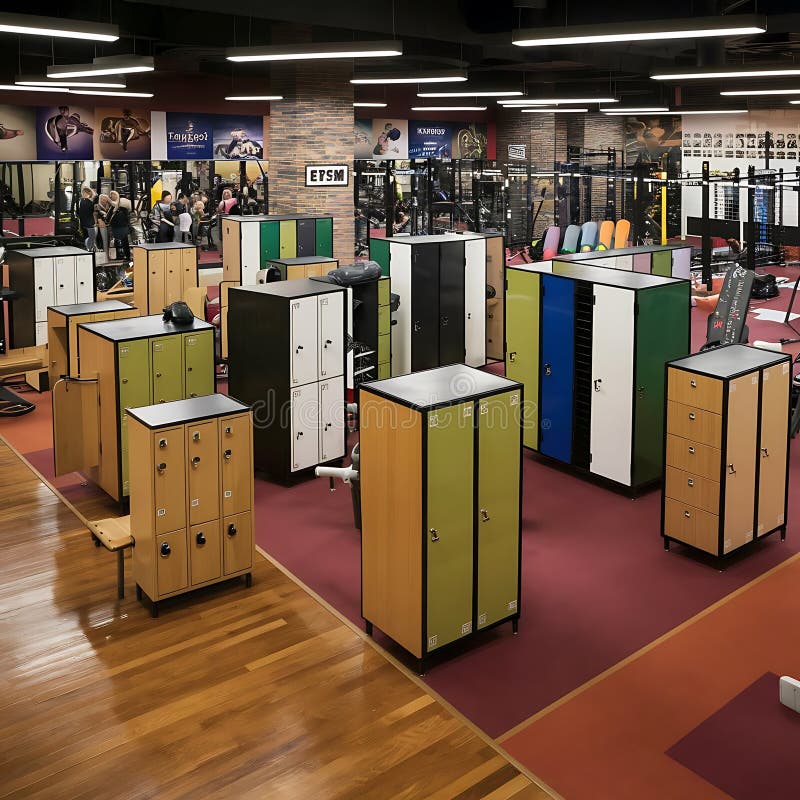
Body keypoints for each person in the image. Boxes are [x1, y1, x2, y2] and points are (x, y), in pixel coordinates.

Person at [107, 195, 131, 262]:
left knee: (124, 242)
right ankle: (120, 255)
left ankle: (125, 256)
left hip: (121, 226)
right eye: (111, 197)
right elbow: (109, 217)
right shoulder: (111, 207)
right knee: (119, 241)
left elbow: (127, 218)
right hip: (116, 226)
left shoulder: (122, 209)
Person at [217, 188, 237, 256]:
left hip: (226, 220)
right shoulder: (235, 200)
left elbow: (219, 211)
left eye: (227, 192)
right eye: (225, 193)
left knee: (224, 237)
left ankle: (225, 252)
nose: (226, 194)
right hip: (234, 220)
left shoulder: (222, 202)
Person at [77, 187, 97, 252]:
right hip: (88, 222)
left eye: (84, 192)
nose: (83, 194)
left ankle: (88, 248)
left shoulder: (84, 201)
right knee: (92, 236)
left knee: (91, 237)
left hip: (86, 222)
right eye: (83, 192)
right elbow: (91, 212)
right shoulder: (85, 201)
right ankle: (88, 248)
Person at [95, 194, 112, 259]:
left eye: (104, 199)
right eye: (101, 199)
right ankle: (105, 256)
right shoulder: (97, 206)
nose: (103, 200)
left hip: (108, 225)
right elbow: (97, 214)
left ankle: (108, 255)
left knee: (108, 241)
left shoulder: (109, 206)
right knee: (104, 241)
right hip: (102, 226)